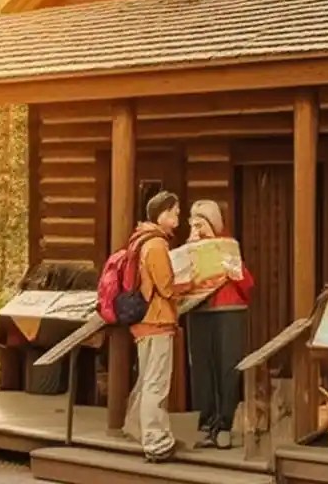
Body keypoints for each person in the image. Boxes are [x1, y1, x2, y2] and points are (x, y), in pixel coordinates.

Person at [185, 199, 254, 450]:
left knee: (227, 366)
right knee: (202, 367)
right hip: (198, 311)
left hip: (228, 311)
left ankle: (224, 424)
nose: (197, 228)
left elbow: (247, 284)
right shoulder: (189, 249)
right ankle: (206, 424)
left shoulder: (228, 247)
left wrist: (234, 272)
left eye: (201, 223)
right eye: (193, 223)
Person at [125, 190, 186, 462]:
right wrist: (190, 284)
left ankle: (148, 434)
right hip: (157, 321)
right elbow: (166, 286)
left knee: (148, 381)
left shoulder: (141, 240)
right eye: (173, 212)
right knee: (156, 385)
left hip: (144, 323)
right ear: (160, 214)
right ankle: (156, 442)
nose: (177, 217)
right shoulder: (157, 245)